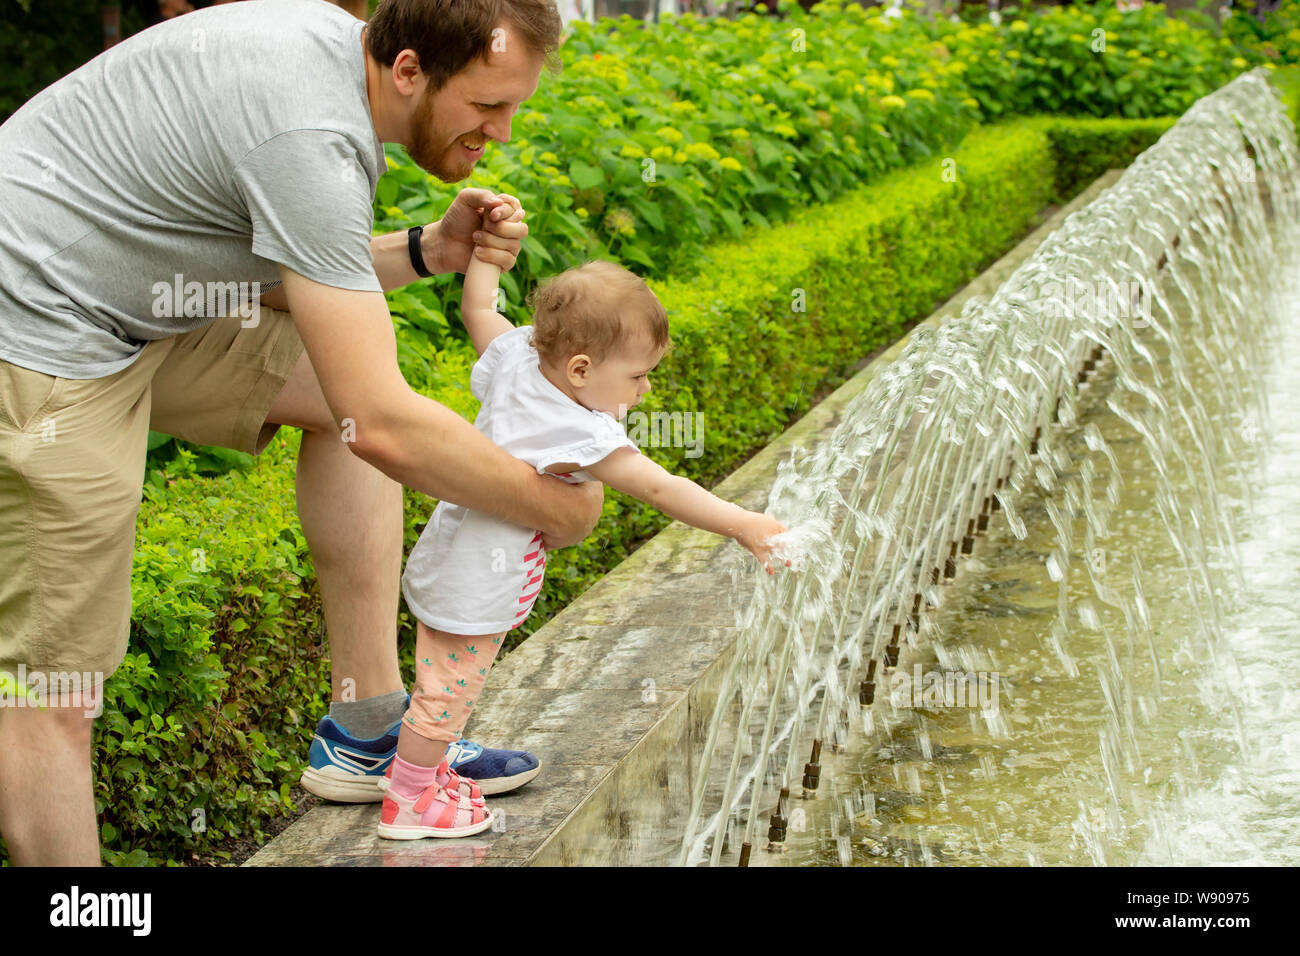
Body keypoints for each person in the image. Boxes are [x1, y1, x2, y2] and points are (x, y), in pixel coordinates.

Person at [0, 0, 587, 865]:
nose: (499, 133)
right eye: (488, 106)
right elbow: (385, 423)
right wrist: (554, 507)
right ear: (411, 69)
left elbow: (278, 273)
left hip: (137, 304)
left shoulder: (335, 59)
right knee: (55, 690)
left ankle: (367, 730)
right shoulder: (311, 137)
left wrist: (428, 250)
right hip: (40, 332)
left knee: (327, 391)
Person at [377, 246, 790, 837]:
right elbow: (662, 487)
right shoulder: (576, 426)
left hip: (452, 552)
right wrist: (745, 525)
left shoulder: (521, 362)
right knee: (445, 694)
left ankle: (427, 777)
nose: (645, 391)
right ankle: (410, 801)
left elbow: (478, 309)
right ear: (579, 369)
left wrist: (487, 257)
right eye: (638, 375)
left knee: (443, 684)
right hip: (476, 579)